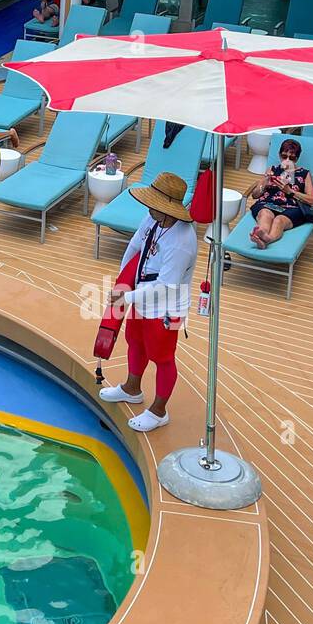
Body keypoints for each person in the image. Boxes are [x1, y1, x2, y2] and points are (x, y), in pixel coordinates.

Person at [98, 171, 198, 433]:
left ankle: (159, 410)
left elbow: (165, 287)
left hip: (167, 307)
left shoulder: (182, 242)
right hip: (141, 295)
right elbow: (134, 246)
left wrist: (125, 296)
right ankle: (132, 388)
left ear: (167, 209)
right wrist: (122, 282)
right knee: (136, 341)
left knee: (163, 357)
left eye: (153, 203)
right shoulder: (154, 219)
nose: (147, 207)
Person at [245, 138, 313, 250]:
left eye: (292, 158)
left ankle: (267, 239)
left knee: (279, 220)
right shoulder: (272, 170)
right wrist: (265, 182)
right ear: (279, 155)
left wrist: (290, 192)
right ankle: (261, 233)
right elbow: (255, 195)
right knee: (265, 214)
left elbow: (312, 200)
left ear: (297, 158)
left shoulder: (304, 174)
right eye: (284, 156)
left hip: (292, 208)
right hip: (268, 203)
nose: (287, 160)